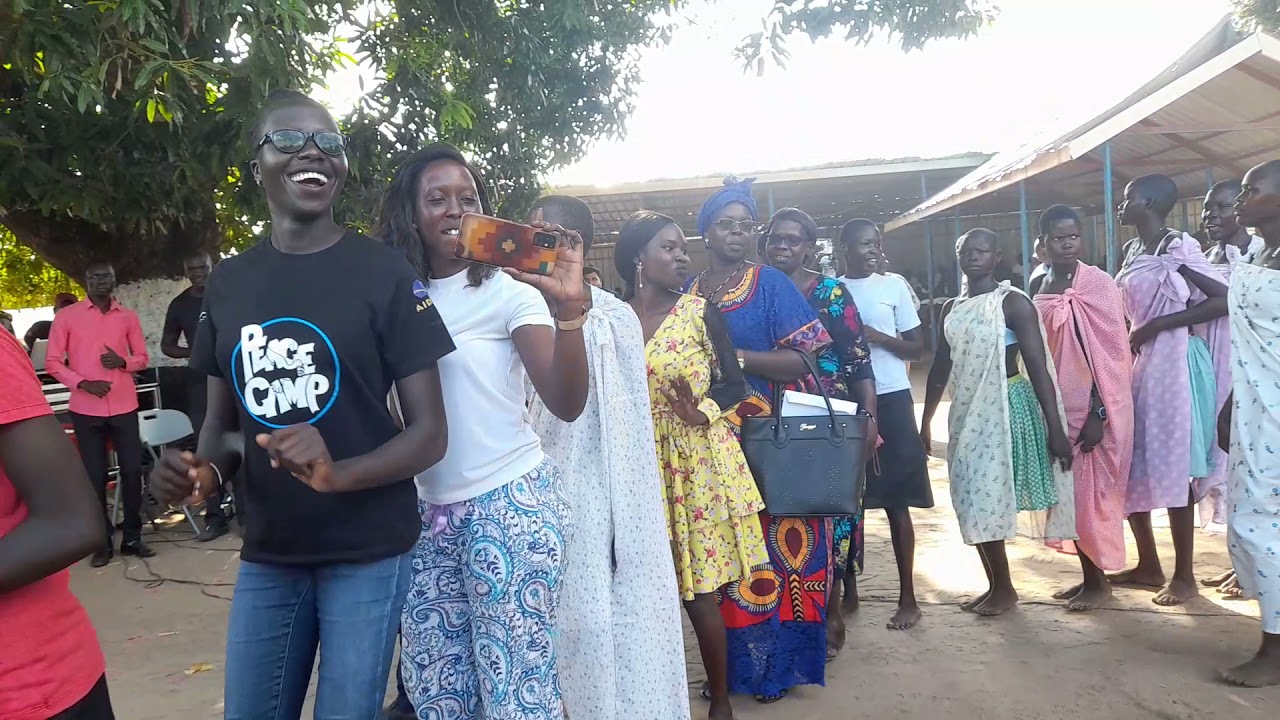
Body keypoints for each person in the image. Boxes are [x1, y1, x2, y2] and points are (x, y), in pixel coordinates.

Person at [149, 90, 453, 718]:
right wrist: (204, 475)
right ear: (256, 164)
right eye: (288, 139)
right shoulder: (230, 283)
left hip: (368, 546)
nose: (313, 152)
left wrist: (338, 473)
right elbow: (222, 425)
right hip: (272, 548)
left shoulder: (384, 272)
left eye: (329, 143)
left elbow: (429, 434)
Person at [378, 143, 589, 719]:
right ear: (410, 214)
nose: (454, 209)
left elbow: (565, 402)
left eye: (467, 198)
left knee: (516, 689)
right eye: (437, 198)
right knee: (437, 691)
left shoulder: (509, 291)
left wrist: (570, 312)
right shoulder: (392, 298)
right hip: (425, 518)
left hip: (510, 507)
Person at [525, 196, 690, 719]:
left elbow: (626, 417)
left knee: (608, 615)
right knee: (555, 618)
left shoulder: (614, 316)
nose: (538, 245)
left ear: (576, 244)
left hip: (605, 484)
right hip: (532, 484)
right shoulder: (514, 305)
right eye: (532, 233)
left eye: (550, 237)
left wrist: (628, 505)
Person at [685, 178, 833, 705]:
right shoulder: (688, 291)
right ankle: (729, 671)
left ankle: (778, 671)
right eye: (726, 224)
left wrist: (736, 358)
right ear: (705, 233)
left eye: (745, 225)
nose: (737, 233)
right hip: (706, 444)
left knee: (780, 554)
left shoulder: (770, 283)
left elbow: (806, 358)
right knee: (723, 558)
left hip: (770, 443)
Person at [615, 210, 761, 720]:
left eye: (683, 248)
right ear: (638, 256)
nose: (682, 257)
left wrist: (700, 411)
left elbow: (734, 384)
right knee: (640, 587)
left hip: (694, 461)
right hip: (634, 460)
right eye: (669, 247)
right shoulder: (611, 318)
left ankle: (720, 701)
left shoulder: (700, 312)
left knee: (698, 590)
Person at [921, 228, 1076, 617]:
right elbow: (941, 365)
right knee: (970, 495)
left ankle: (1004, 589)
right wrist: (925, 421)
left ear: (997, 256)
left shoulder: (1012, 303)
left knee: (987, 496)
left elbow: (1038, 366)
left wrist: (1056, 428)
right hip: (966, 410)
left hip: (1005, 407)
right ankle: (997, 585)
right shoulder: (952, 307)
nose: (973, 257)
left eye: (982, 250)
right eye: (966, 251)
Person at [763, 207, 877, 658]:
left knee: (829, 516)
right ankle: (789, 617)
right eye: (776, 238)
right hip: (769, 418)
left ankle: (830, 615)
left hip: (827, 419)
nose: (782, 246)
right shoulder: (756, 288)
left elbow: (858, 360)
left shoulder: (830, 293)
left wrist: (869, 421)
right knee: (781, 519)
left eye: (793, 239)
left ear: (809, 247)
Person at [1111, 174, 1229, 606]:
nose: (1121, 205)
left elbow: (1222, 298)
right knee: (1134, 459)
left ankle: (1184, 576)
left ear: (1150, 202)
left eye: (1128, 198)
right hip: (1142, 362)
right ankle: (1148, 564)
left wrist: (1158, 325)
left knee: (1176, 463)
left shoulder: (1177, 246)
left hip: (1176, 362)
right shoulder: (1133, 249)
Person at [0, 327, 117, 719]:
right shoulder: (71, 320)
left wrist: (118, 366)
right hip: (84, 401)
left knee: (124, 474)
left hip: (27, 688)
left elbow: (72, 522)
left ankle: (131, 537)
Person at [1030, 205, 1135, 611]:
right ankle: (1089, 577)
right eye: (1058, 238)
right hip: (1058, 407)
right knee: (1067, 496)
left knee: (1092, 498)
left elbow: (1113, 353)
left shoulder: (1099, 283)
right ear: (1043, 243)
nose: (1067, 243)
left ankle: (1098, 582)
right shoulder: (1039, 282)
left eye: (1073, 236)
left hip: (1095, 410)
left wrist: (1099, 413)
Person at [836, 218, 933, 630]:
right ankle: (849, 592)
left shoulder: (893, 287)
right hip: (846, 398)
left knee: (896, 500)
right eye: (863, 244)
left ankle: (908, 597)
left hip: (891, 397)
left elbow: (919, 348)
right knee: (846, 501)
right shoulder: (832, 290)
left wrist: (877, 337)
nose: (872, 250)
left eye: (876, 243)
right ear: (843, 249)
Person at [1215, 158, 1280, 687]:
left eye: (1250, 190)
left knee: (1261, 520)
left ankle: (1275, 651)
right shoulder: (1260, 253)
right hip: (1255, 403)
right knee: (1252, 516)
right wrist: (1232, 402)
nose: (1240, 200)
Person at [46, 261, 153, 567]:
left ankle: (132, 537)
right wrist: (83, 383)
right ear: (86, 280)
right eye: (95, 277)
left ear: (114, 279)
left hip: (124, 406)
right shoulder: (67, 317)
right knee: (95, 476)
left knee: (132, 471)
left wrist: (123, 362)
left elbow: (142, 358)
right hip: (86, 408)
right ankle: (102, 542)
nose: (101, 281)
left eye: (107, 276)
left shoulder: (128, 316)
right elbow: (53, 362)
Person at [160, 251, 233, 542]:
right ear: (186, 272)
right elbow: (167, 345)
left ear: (212, 265)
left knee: (246, 442)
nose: (198, 272)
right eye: (192, 269)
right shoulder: (179, 305)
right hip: (200, 384)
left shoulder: (228, 294)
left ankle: (249, 514)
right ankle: (215, 518)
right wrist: (195, 352)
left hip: (236, 378)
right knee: (207, 447)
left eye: (203, 267)